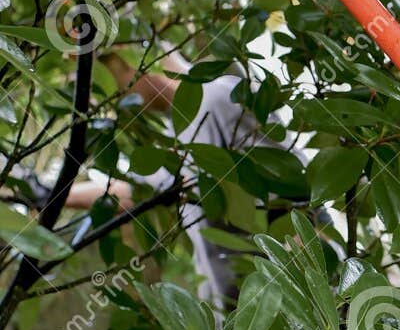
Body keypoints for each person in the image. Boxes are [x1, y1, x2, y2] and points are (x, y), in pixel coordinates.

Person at [64, 51, 319, 314]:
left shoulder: (219, 97)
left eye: (116, 86)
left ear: (140, 65)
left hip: (286, 303)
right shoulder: (175, 141)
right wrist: (52, 196)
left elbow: (297, 188)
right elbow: (135, 192)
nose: (119, 99)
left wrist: (297, 290)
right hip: (238, 314)